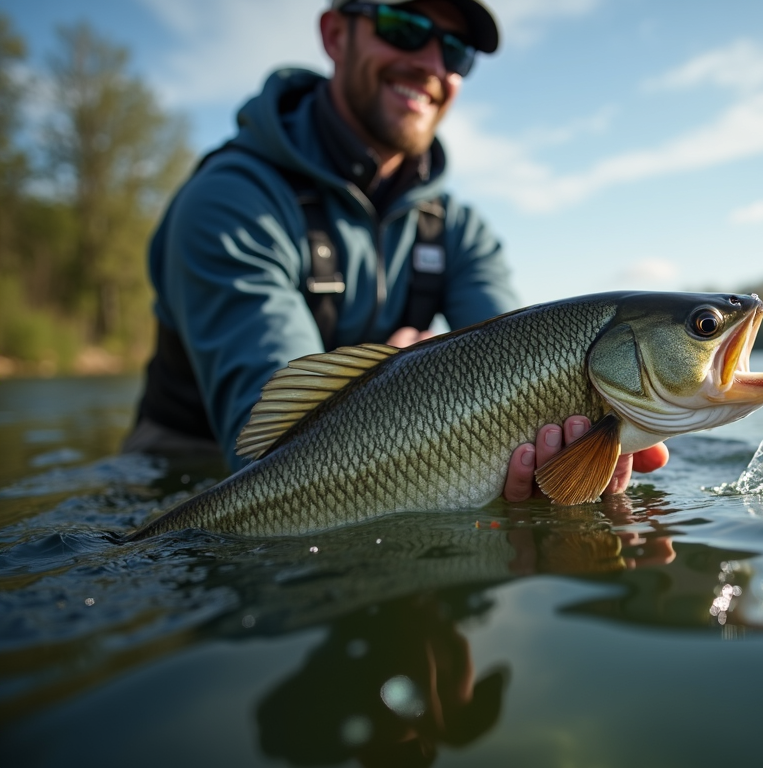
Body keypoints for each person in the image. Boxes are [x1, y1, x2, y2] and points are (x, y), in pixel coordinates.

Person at [125, 0, 667, 501]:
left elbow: (533, 366)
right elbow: (260, 446)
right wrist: (402, 387)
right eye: (404, 27)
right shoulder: (230, 202)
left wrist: (576, 449)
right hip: (182, 480)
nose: (431, 64)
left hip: (391, 471)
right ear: (335, 35)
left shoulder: (460, 230)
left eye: (455, 50)